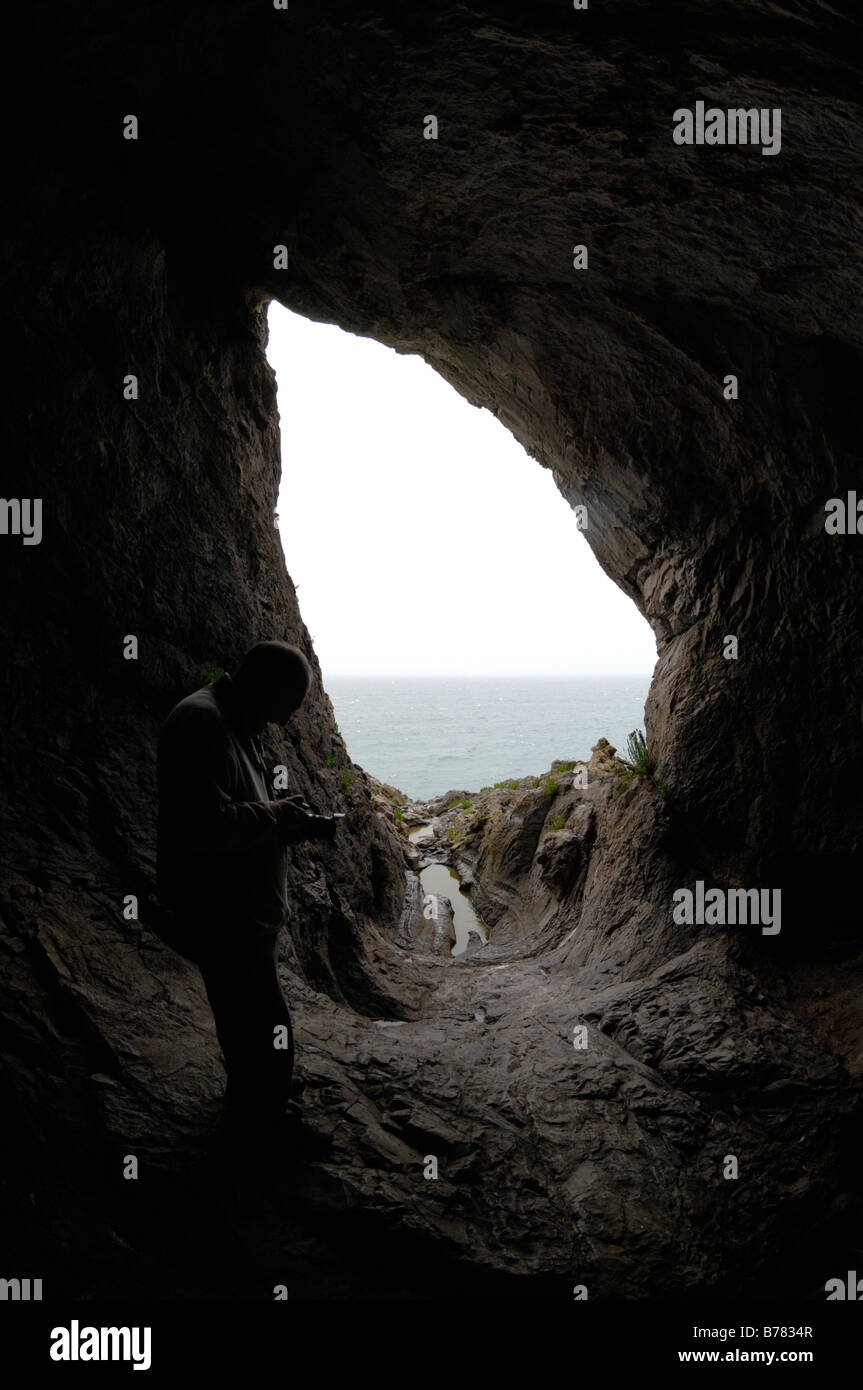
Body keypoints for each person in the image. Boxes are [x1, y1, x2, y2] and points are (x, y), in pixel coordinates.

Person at [156, 640, 338, 1157]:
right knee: (260, 1021)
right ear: (264, 685)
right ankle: (260, 1129)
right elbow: (205, 824)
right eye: (285, 706)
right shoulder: (201, 723)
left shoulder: (234, 719)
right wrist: (280, 816)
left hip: (241, 910)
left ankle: (257, 1098)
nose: (282, 720)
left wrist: (281, 813)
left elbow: (238, 806)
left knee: (249, 1019)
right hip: (221, 911)